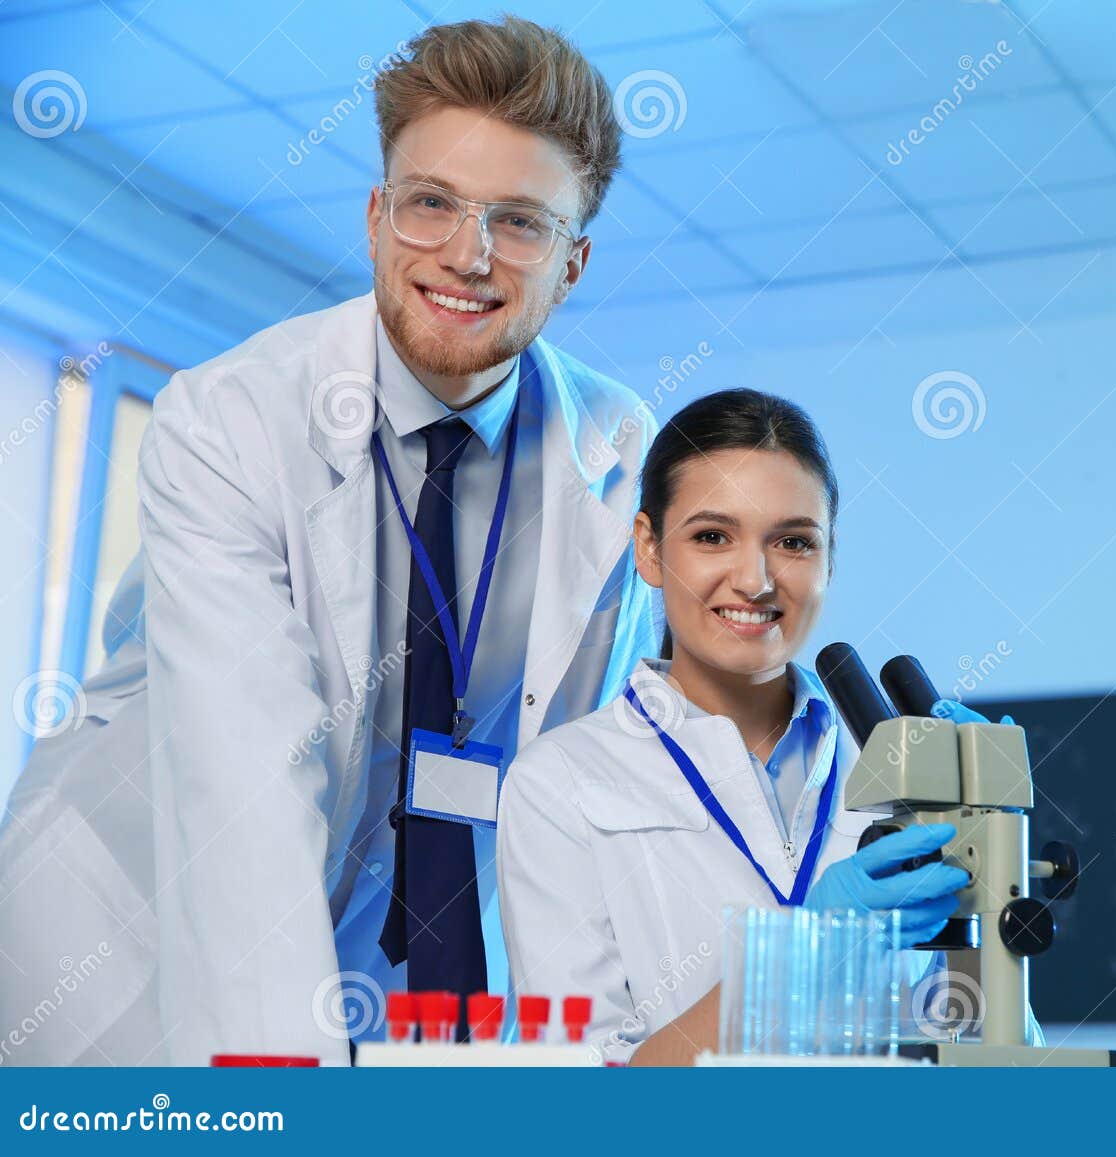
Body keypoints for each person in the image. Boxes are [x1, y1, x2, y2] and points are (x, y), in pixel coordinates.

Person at [0, 17, 659, 1066]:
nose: (468, 255)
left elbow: (581, 774)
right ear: (376, 218)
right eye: (431, 202)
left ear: (573, 265)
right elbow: (246, 790)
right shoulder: (229, 421)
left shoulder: (614, 448)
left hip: (383, 969)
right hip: (123, 939)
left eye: (520, 223)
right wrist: (282, 1093)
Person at [498, 389, 980, 1066]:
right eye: (712, 536)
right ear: (648, 549)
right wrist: (804, 956)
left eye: (793, 542)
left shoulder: (896, 765)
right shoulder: (559, 784)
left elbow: (974, 1043)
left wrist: (989, 859)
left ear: (830, 559)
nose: (755, 581)